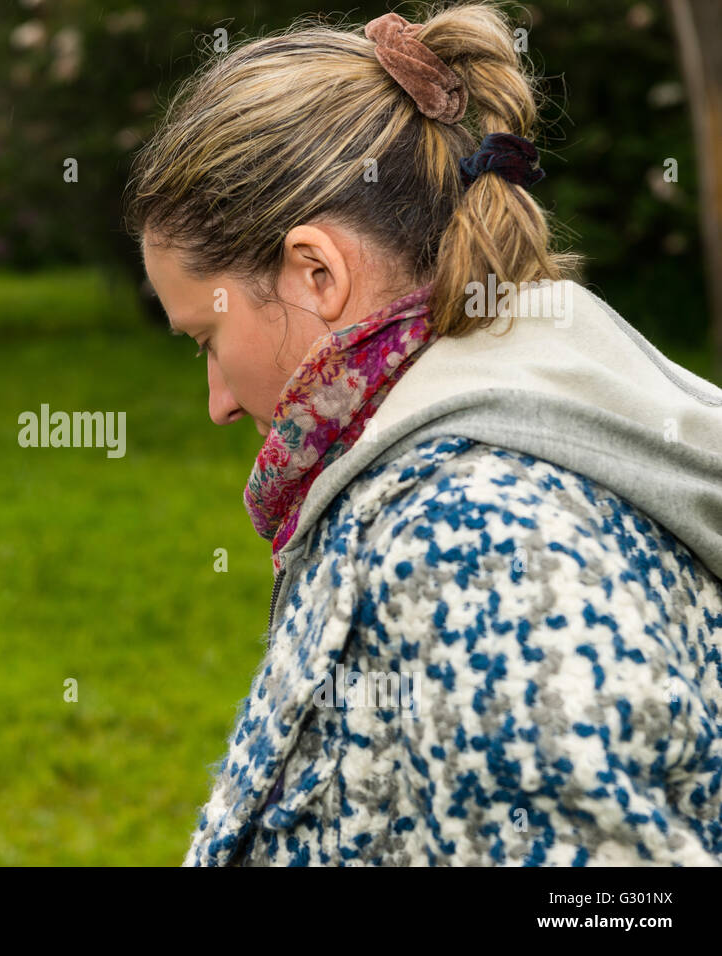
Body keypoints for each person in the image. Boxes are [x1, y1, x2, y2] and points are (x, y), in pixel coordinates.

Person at [123, 2, 722, 865]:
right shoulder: (506, 431)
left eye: (207, 340)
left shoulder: (469, 542)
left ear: (316, 273)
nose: (217, 400)